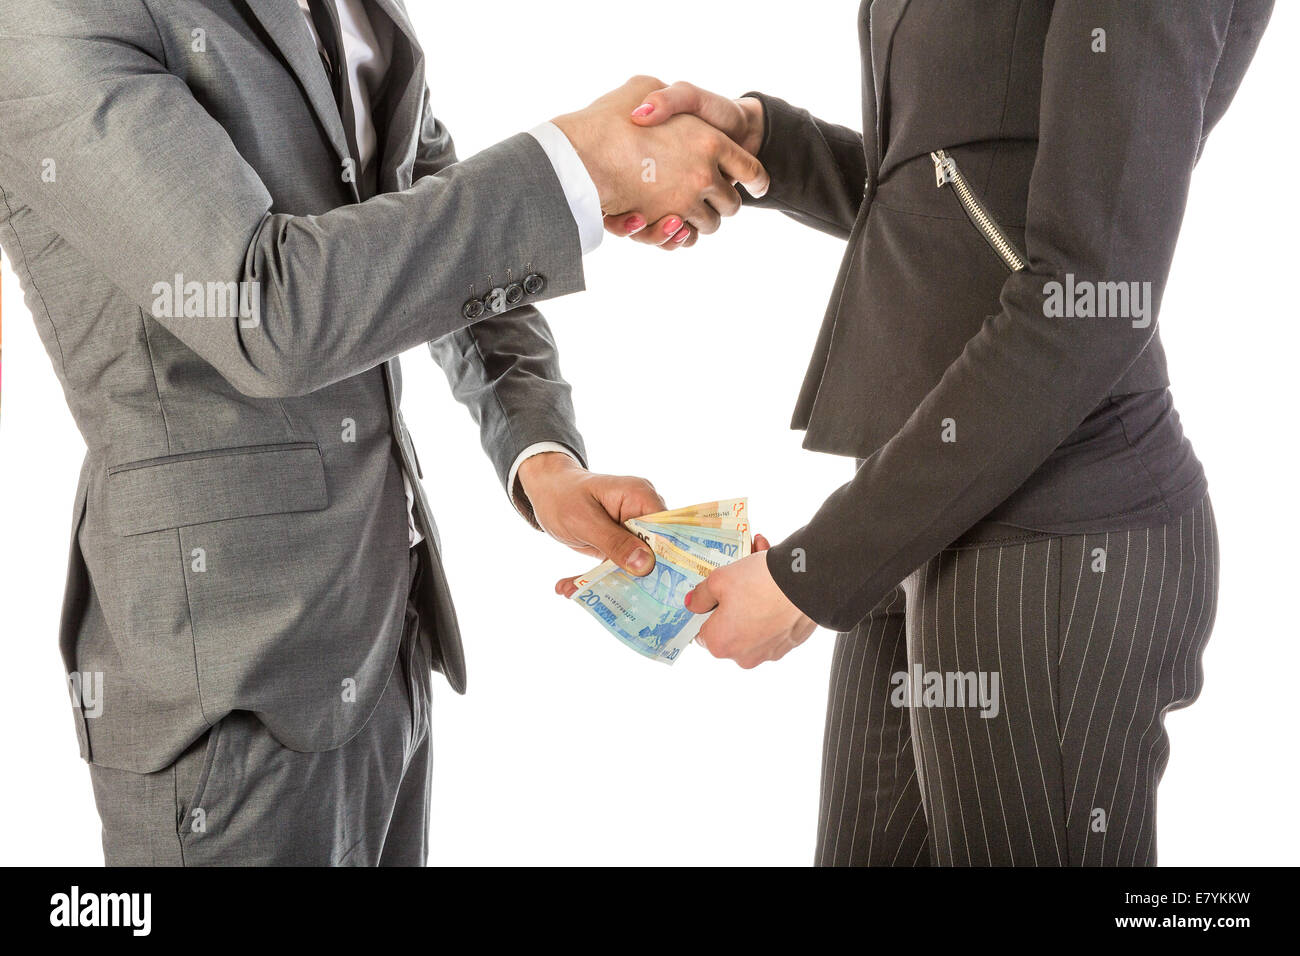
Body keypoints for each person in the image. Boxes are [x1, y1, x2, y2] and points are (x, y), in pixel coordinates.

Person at [0, 0, 764, 865]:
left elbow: (426, 212)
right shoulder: (53, 14)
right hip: (230, 681)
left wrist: (539, 453)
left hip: (388, 640)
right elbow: (264, 307)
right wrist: (578, 166)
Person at [607, 0, 1274, 865]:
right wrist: (764, 144)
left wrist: (816, 571)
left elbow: (1090, 303)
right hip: (930, 521)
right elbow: (957, 198)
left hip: (1056, 543)